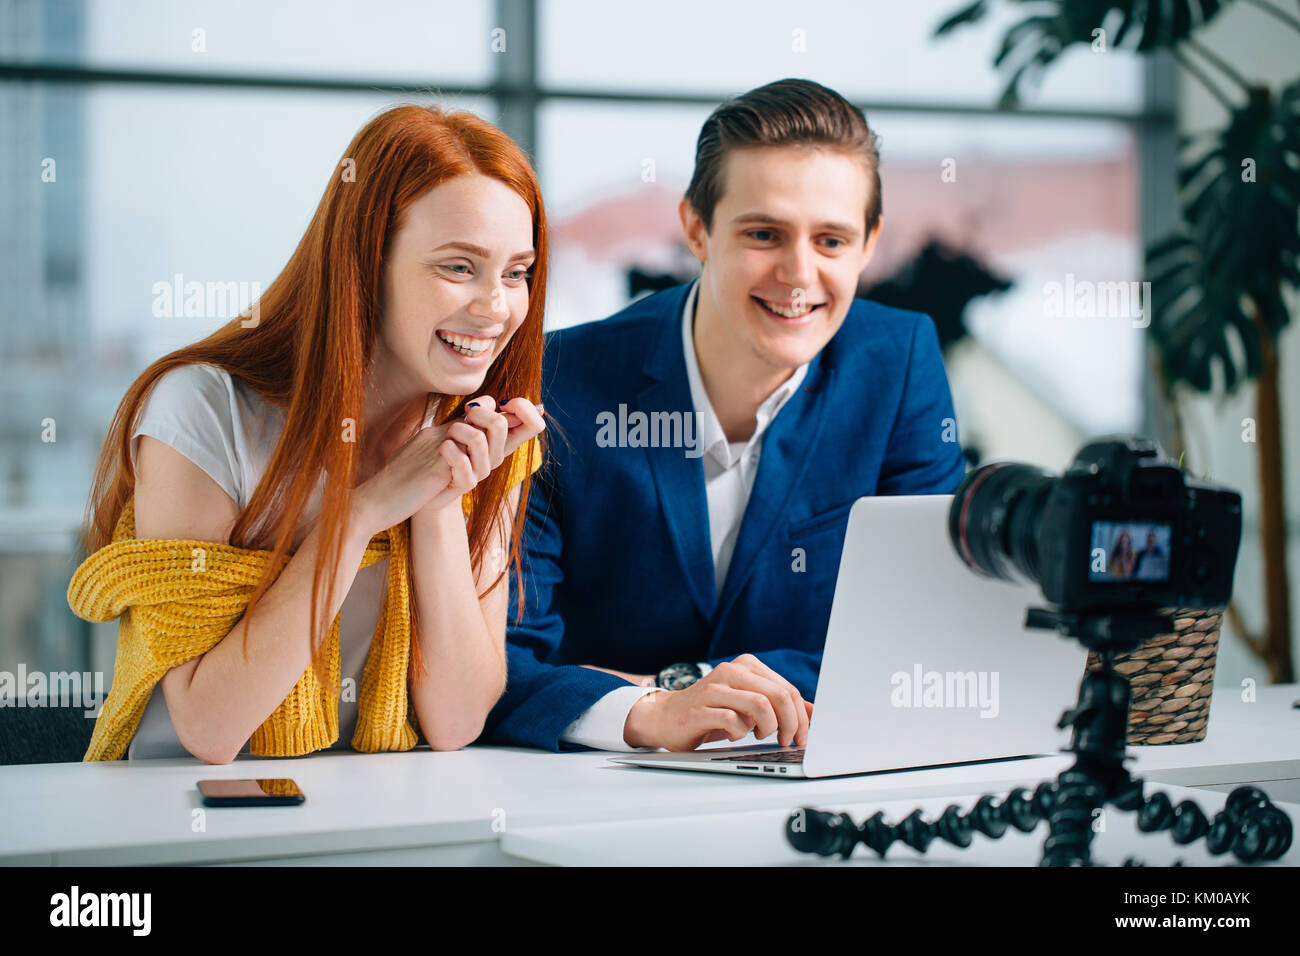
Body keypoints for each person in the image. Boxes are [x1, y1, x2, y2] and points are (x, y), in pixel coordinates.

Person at [480, 78, 967, 754]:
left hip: (820, 775)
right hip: (589, 787)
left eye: (831, 241)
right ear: (696, 229)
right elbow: (496, 659)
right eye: (764, 233)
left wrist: (691, 685)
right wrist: (647, 713)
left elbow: (927, 628)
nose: (798, 274)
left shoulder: (899, 362)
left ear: (870, 243)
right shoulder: (558, 381)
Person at [71, 104, 547, 763]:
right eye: (458, 268)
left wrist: (437, 504)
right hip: (178, 814)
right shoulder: (205, 409)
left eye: (517, 272)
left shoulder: (481, 438)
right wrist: (363, 515)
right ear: (365, 264)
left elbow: (457, 720)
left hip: (363, 812)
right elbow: (209, 727)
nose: (496, 307)